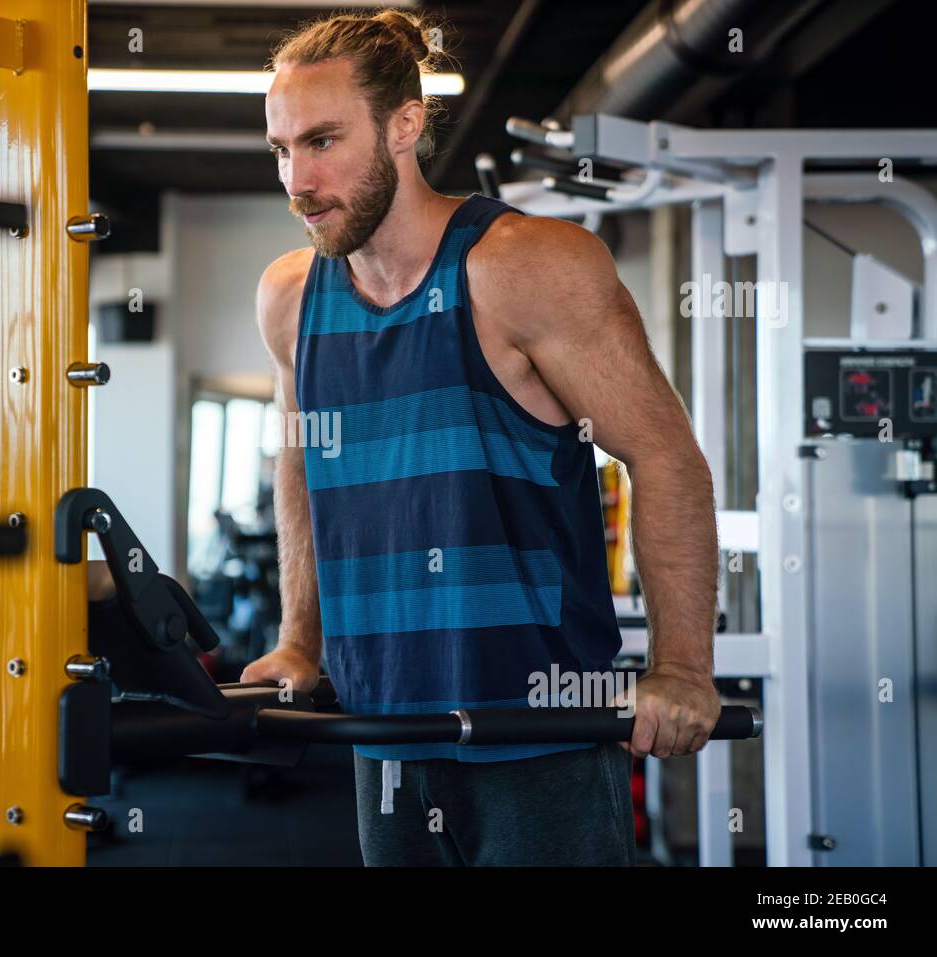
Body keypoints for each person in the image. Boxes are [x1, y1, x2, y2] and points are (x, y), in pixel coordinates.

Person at [243, 8, 722, 866]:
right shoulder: (290, 298)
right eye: (281, 149)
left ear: (405, 125)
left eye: (321, 142)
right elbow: (302, 463)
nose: (297, 179)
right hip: (382, 730)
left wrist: (683, 668)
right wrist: (298, 639)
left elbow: (665, 454)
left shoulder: (526, 267)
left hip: (542, 726)